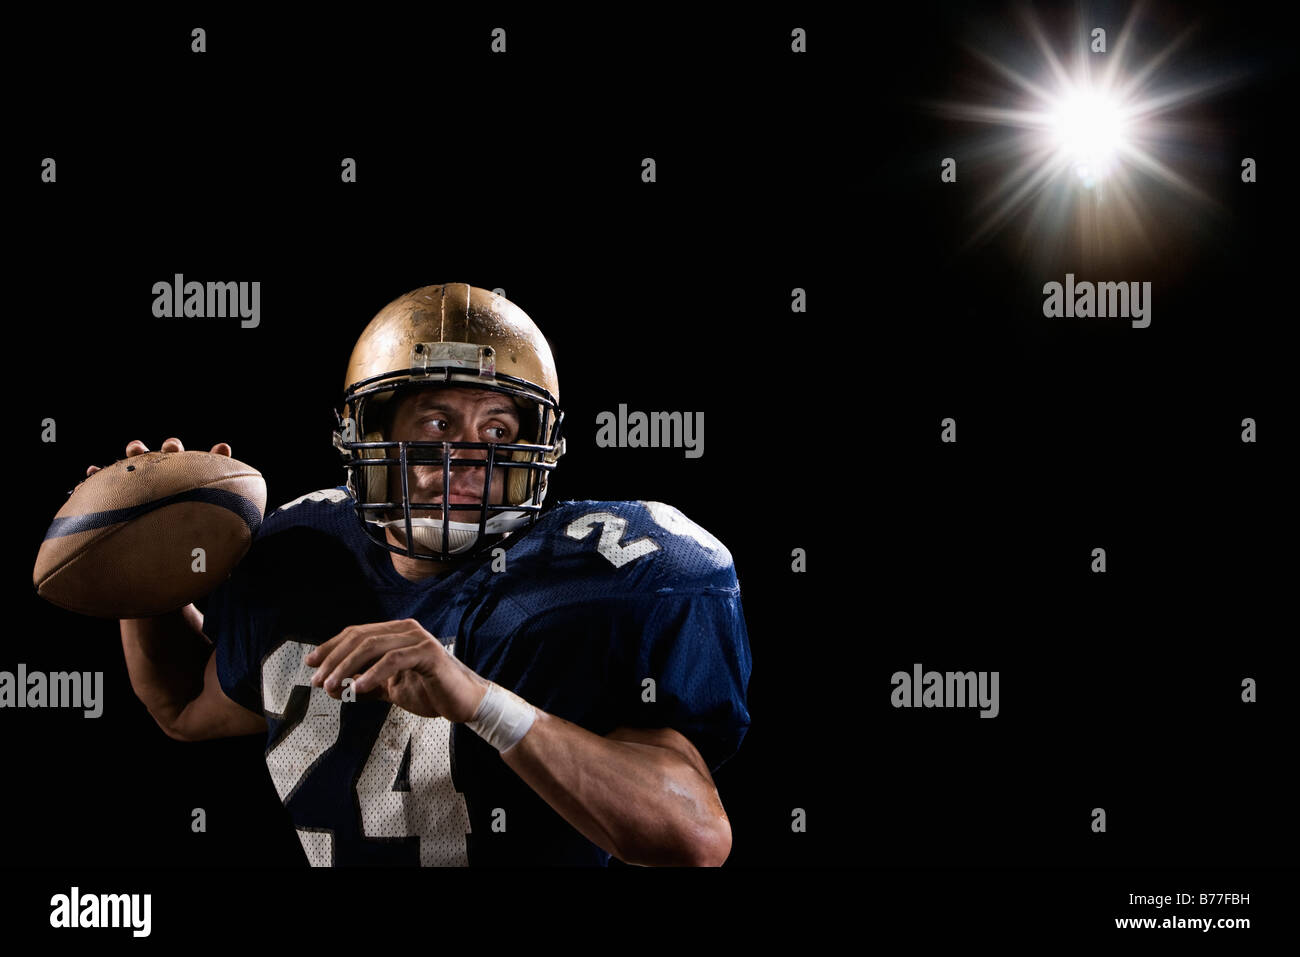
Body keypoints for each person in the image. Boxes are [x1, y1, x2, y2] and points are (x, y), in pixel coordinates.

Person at [101, 283, 752, 867]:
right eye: (438, 421)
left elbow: (694, 838)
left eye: (498, 427)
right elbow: (184, 706)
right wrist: (145, 567)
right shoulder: (306, 550)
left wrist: (480, 701)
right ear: (372, 432)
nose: (472, 452)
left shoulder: (596, 582)